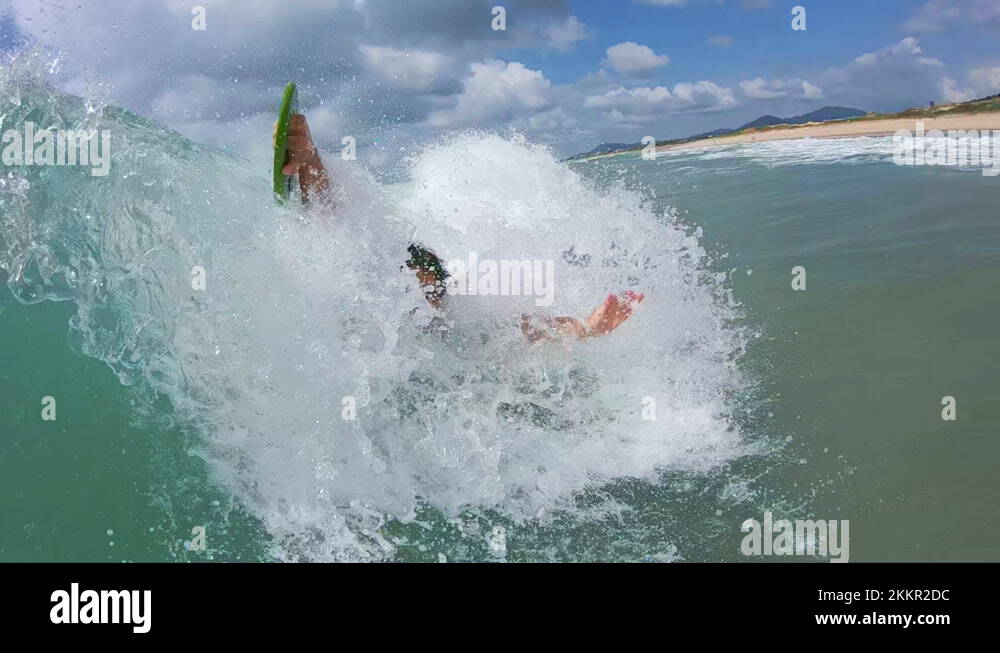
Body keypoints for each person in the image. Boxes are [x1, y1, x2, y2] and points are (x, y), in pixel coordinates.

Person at [276, 113, 644, 341]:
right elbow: (332, 216)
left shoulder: (463, 316)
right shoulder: (384, 304)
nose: (426, 298)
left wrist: (589, 328)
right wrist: (310, 160)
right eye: (420, 287)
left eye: (430, 289)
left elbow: (536, 328)